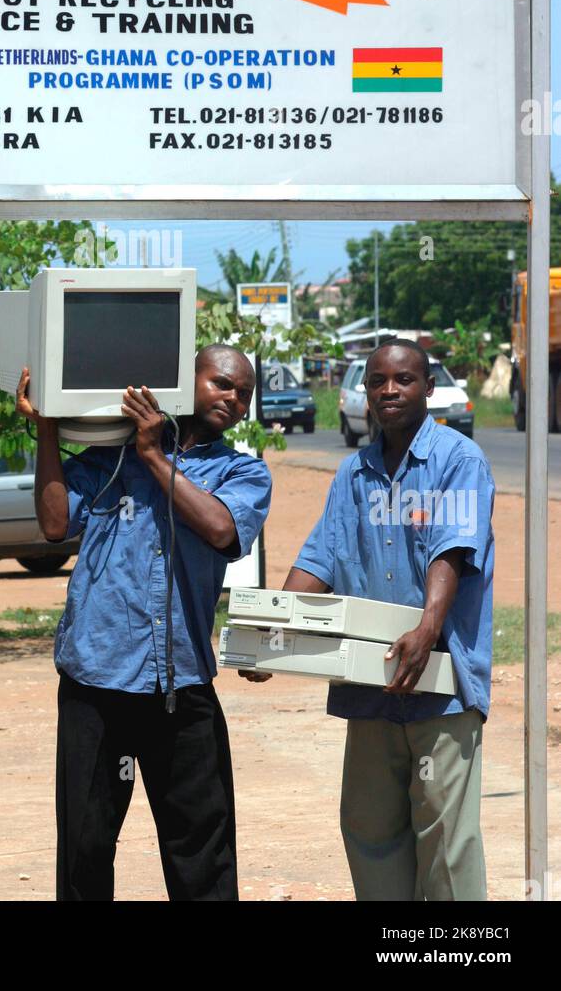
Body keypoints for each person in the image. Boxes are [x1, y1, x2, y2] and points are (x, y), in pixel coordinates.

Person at [16, 343, 272, 902]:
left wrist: (156, 457)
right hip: (94, 685)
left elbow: (222, 530)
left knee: (202, 853)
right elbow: (55, 524)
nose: (233, 398)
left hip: (180, 690)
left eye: (244, 393)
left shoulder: (241, 471)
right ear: (186, 380)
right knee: (84, 851)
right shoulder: (108, 459)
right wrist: (48, 432)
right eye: (222, 383)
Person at [244, 338, 494, 902]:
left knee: (446, 845)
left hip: (440, 685)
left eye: (403, 380)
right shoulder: (354, 473)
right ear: (364, 391)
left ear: (429, 388)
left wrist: (428, 628)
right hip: (373, 682)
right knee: (369, 832)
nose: (388, 390)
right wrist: (271, 637)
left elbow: (450, 552)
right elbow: (320, 558)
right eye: (377, 380)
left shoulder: (458, 460)